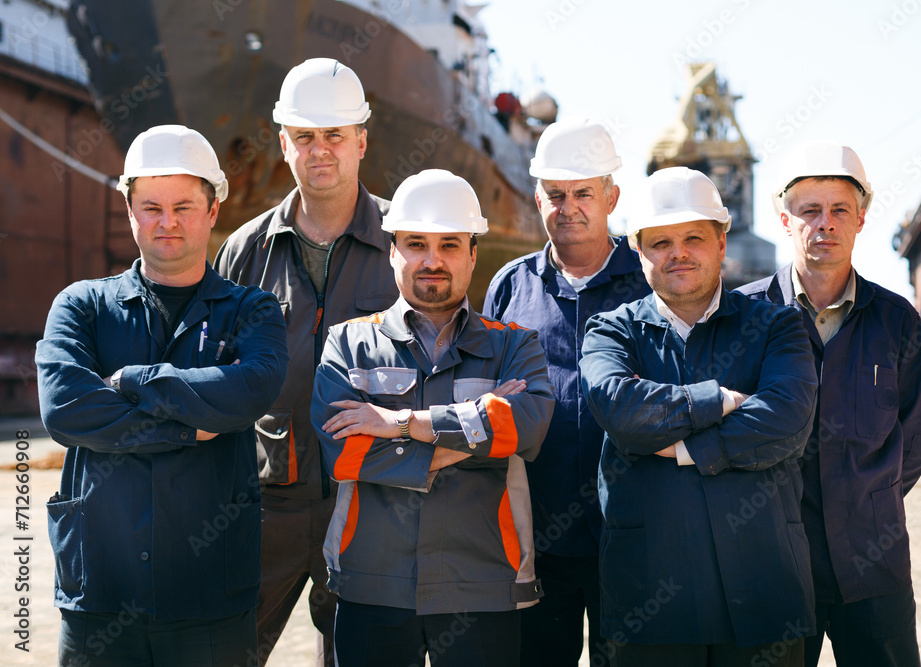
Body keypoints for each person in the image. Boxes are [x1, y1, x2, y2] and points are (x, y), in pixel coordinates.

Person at [35, 124, 288, 667]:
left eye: (183, 206)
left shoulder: (254, 310)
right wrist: (184, 425)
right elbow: (65, 409)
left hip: (210, 599)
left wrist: (132, 381)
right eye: (150, 206)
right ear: (129, 211)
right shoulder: (82, 307)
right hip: (100, 596)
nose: (167, 222)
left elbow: (250, 392)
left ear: (213, 210)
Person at [311, 169, 555, 667]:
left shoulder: (515, 343)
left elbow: (526, 427)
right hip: (373, 582)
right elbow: (346, 451)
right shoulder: (347, 342)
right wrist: (479, 432)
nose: (432, 260)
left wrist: (398, 424)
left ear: (472, 254)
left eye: (449, 244)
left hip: (484, 585)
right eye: (417, 243)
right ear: (394, 251)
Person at [579, 167, 819, 667]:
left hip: (763, 592)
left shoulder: (777, 326)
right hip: (650, 601)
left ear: (721, 242)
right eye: (660, 241)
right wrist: (717, 400)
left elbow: (788, 418)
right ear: (638, 250)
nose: (678, 252)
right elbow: (618, 407)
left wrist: (686, 448)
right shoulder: (611, 332)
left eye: (694, 237)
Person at [213, 58, 398, 664]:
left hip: (374, 502)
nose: (321, 152)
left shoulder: (407, 241)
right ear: (284, 142)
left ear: (361, 142)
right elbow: (215, 378)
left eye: (335, 136)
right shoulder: (246, 251)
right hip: (270, 506)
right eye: (305, 137)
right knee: (228, 649)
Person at [738, 141, 921, 666]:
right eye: (810, 210)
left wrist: (868, 500)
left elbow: (914, 437)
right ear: (785, 220)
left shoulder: (895, 320)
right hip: (772, 563)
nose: (825, 223)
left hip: (874, 563)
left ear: (861, 219)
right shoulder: (745, 317)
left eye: (839, 210)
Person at [483, 117, 650, 666]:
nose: (569, 206)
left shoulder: (648, 282)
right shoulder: (511, 286)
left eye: (584, 193)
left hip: (630, 539)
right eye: (556, 194)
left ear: (612, 197)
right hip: (537, 543)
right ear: (537, 197)